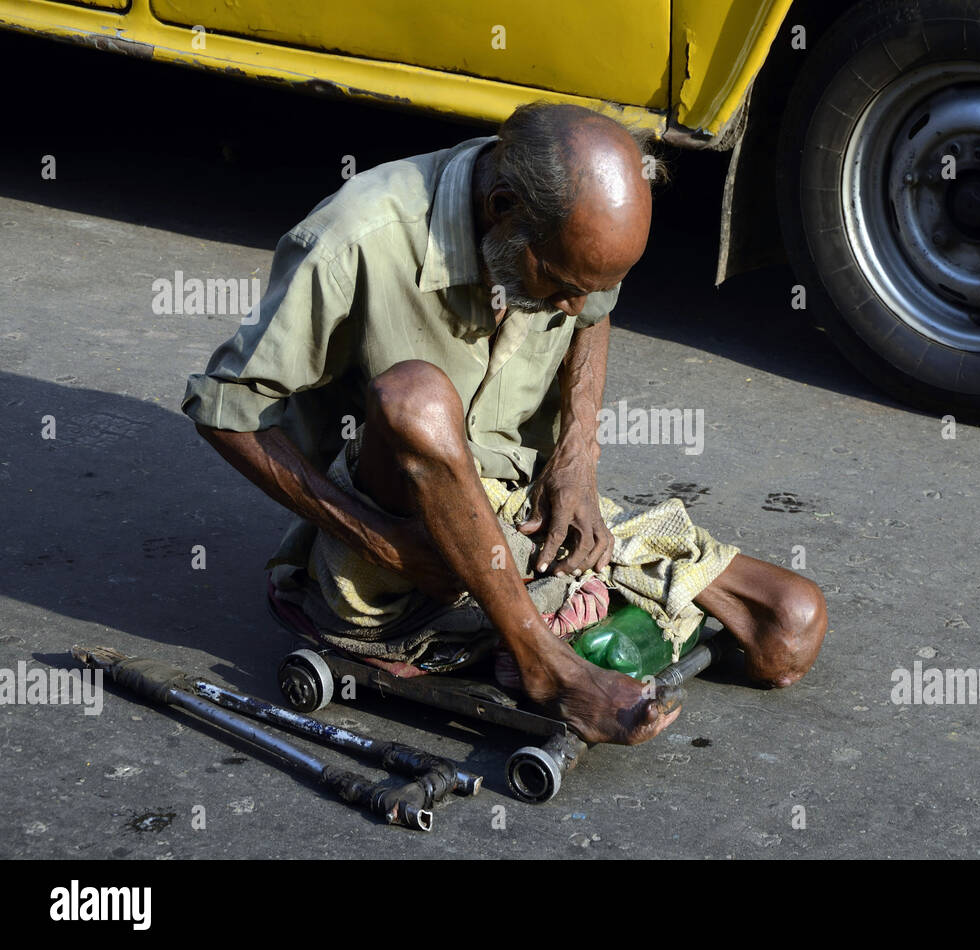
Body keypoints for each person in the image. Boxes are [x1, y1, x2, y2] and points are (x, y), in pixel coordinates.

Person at [182, 102, 827, 746]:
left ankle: (528, 605)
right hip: (389, 543)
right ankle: (544, 665)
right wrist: (380, 539)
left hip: (513, 511)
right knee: (417, 397)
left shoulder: (567, 248)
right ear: (502, 208)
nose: (576, 307)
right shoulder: (354, 238)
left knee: (792, 622)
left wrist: (576, 458)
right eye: (563, 285)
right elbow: (223, 407)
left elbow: (593, 311)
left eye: (594, 286)